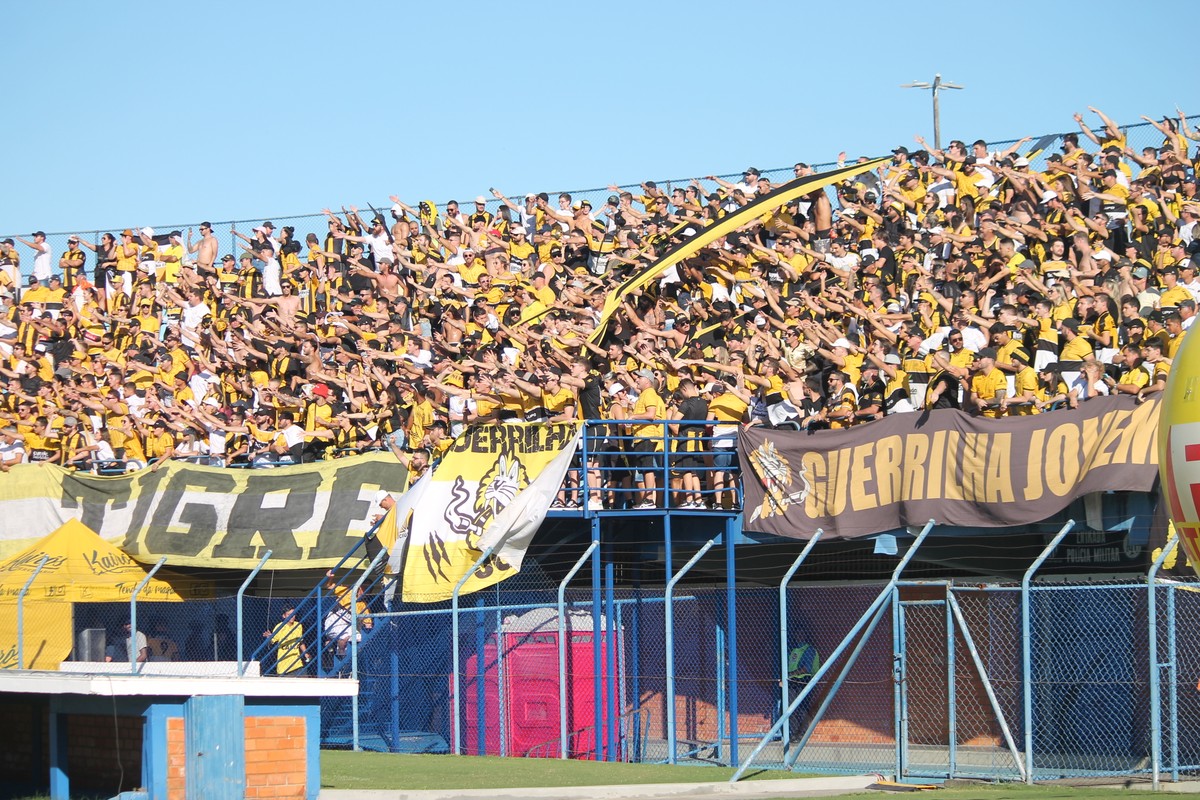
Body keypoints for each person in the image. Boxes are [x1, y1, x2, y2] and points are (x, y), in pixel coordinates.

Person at [264, 605, 309, 675]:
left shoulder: (298, 626)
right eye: (289, 614)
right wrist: (269, 637)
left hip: (297, 664)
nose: (292, 616)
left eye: (294, 614)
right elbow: (271, 642)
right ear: (284, 616)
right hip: (284, 667)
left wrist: (305, 653)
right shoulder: (279, 627)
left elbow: (301, 641)